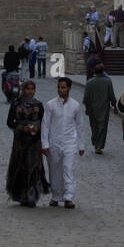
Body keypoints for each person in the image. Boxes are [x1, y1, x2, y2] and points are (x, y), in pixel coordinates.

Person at [41, 78, 84, 208]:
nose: (61, 90)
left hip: (70, 142)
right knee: (54, 170)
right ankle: (56, 196)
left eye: (63, 87)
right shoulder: (50, 105)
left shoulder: (75, 106)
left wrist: (81, 145)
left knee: (68, 169)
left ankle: (68, 197)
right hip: (54, 142)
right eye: (59, 87)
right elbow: (45, 125)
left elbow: (79, 126)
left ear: (69, 88)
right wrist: (45, 144)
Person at [6, 81, 49, 207]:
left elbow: (44, 123)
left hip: (34, 142)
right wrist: (21, 127)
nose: (30, 91)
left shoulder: (39, 105)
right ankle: (21, 195)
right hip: (20, 141)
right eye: (28, 89)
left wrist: (37, 129)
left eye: (33, 89)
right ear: (23, 90)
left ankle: (32, 196)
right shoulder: (16, 104)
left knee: (33, 167)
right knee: (20, 167)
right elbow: (9, 122)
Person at [82, 63, 118, 153]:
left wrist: (87, 108)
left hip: (92, 108)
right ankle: (99, 146)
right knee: (102, 127)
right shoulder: (108, 82)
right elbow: (111, 96)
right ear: (103, 71)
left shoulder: (89, 82)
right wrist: (115, 106)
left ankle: (95, 142)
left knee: (94, 126)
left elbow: (86, 97)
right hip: (104, 108)